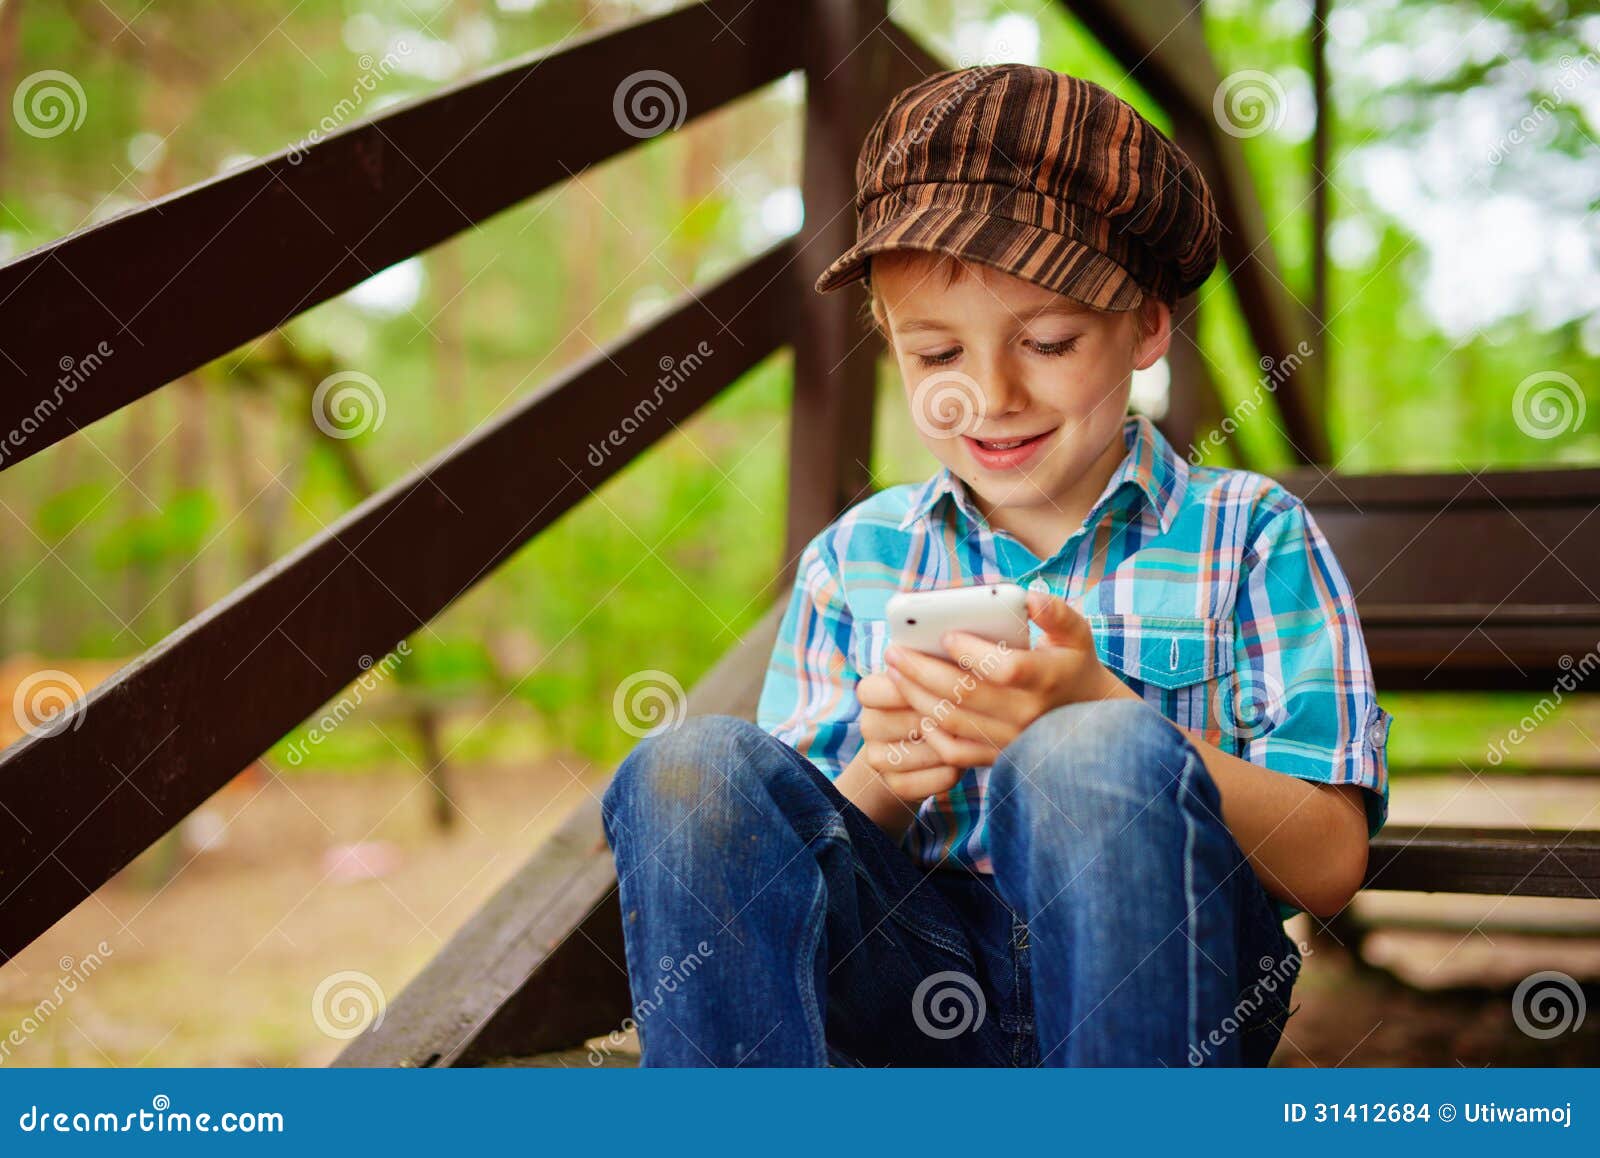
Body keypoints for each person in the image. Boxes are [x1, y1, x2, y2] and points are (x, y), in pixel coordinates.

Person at [602, 63, 1392, 1067]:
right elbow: (801, 867)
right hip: (904, 985)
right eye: (938, 355)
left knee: (1089, 752)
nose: (991, 395)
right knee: (689, 769)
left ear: (1147, 324)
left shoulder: (1251, 535)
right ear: (888, 341)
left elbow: (1328, 864)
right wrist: (888, 773)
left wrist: (1106, 714)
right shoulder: (855, 558)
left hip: (1165, 985)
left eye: (1049, 342)